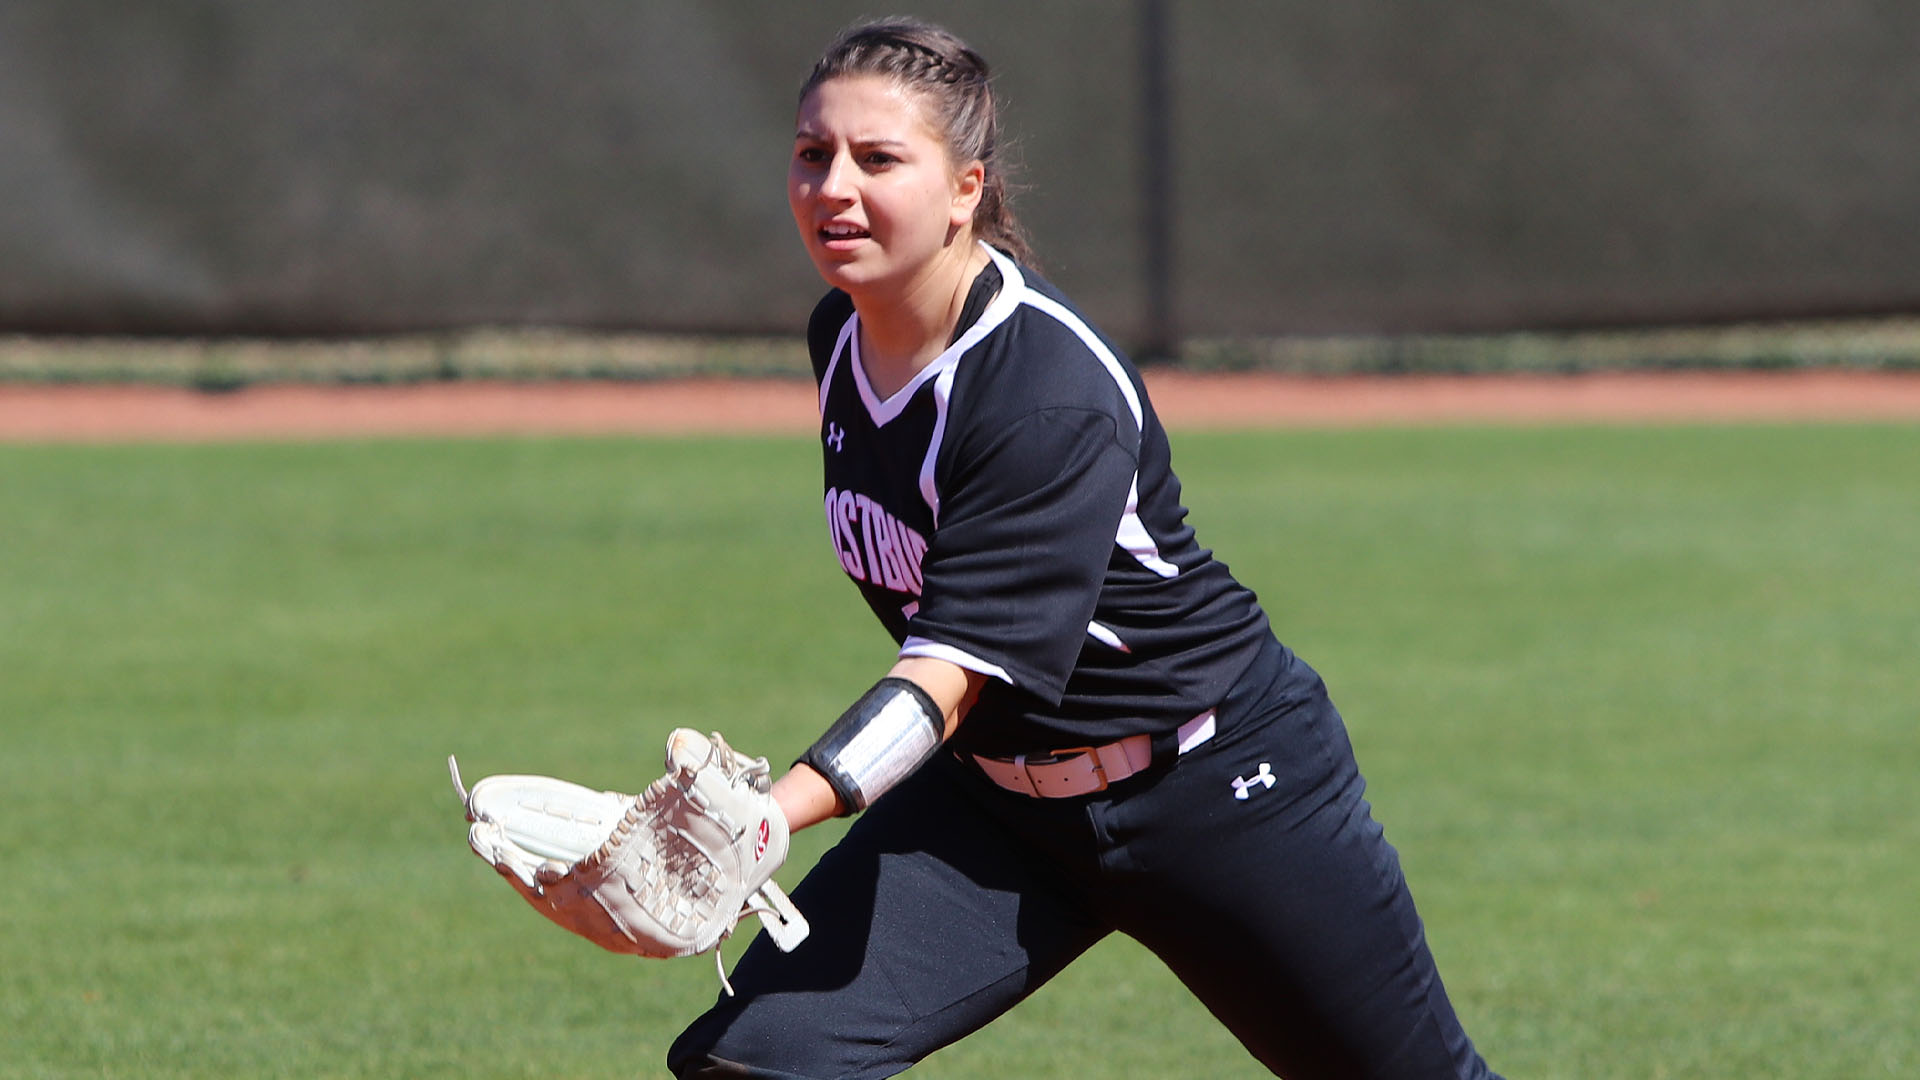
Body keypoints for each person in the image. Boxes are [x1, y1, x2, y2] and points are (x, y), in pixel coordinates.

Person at [669, 17, 1502, 1079]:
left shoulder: (1042, 389)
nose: (833, 186)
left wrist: (766, 819)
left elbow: (949, 673)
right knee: (752, 1065)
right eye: (811, 152)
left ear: (966, 187)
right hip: (997, 815)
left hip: (1216, 791)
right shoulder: (841, 336)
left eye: (879, 158)